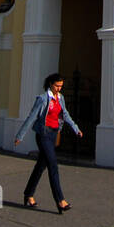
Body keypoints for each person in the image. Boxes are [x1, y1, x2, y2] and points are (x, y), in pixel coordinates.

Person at [14, 73, 82, 212]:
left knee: (41, 166)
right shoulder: (43, 99)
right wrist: (20, 135)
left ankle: (28, 194)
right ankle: (60, 200)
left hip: (53, 134)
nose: (59, 88)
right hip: (43, 134)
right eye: (57, 86)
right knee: (53, 165)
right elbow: (31, 117)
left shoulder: (60, 98)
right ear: (51, 84)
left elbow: (65, 114)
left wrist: (76, 128)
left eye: (61, 86)